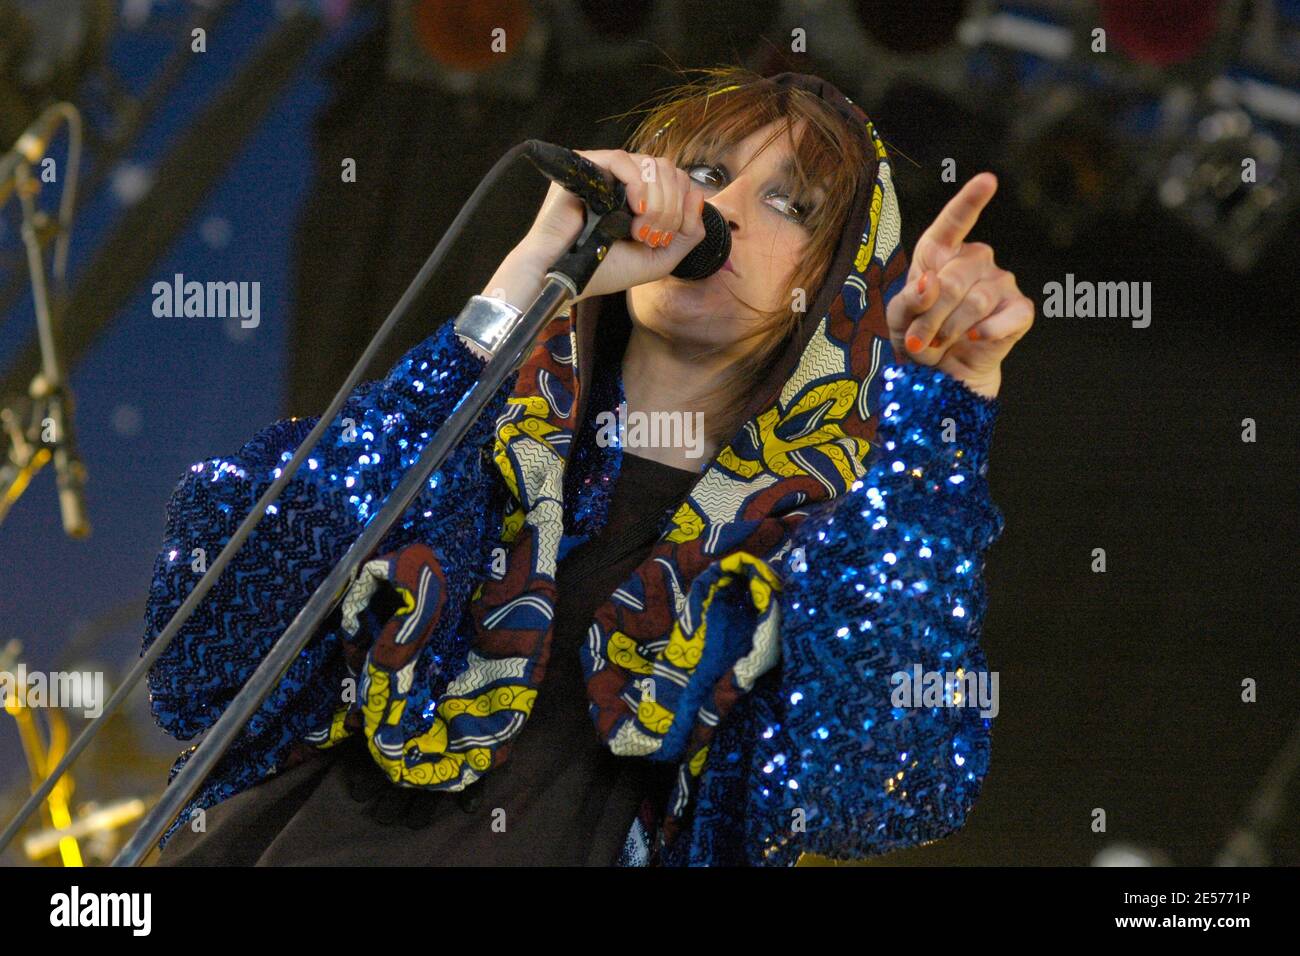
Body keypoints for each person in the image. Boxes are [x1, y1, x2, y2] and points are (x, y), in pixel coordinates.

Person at [141, 67, 1033, 867]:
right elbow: (203, 644)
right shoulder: (474, 435)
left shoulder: (815, 552)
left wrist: (928, 429)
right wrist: (517, 289)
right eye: (709, 175)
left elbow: (891, 784)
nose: (722, 210)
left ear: (837, 283)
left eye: (790, 205)